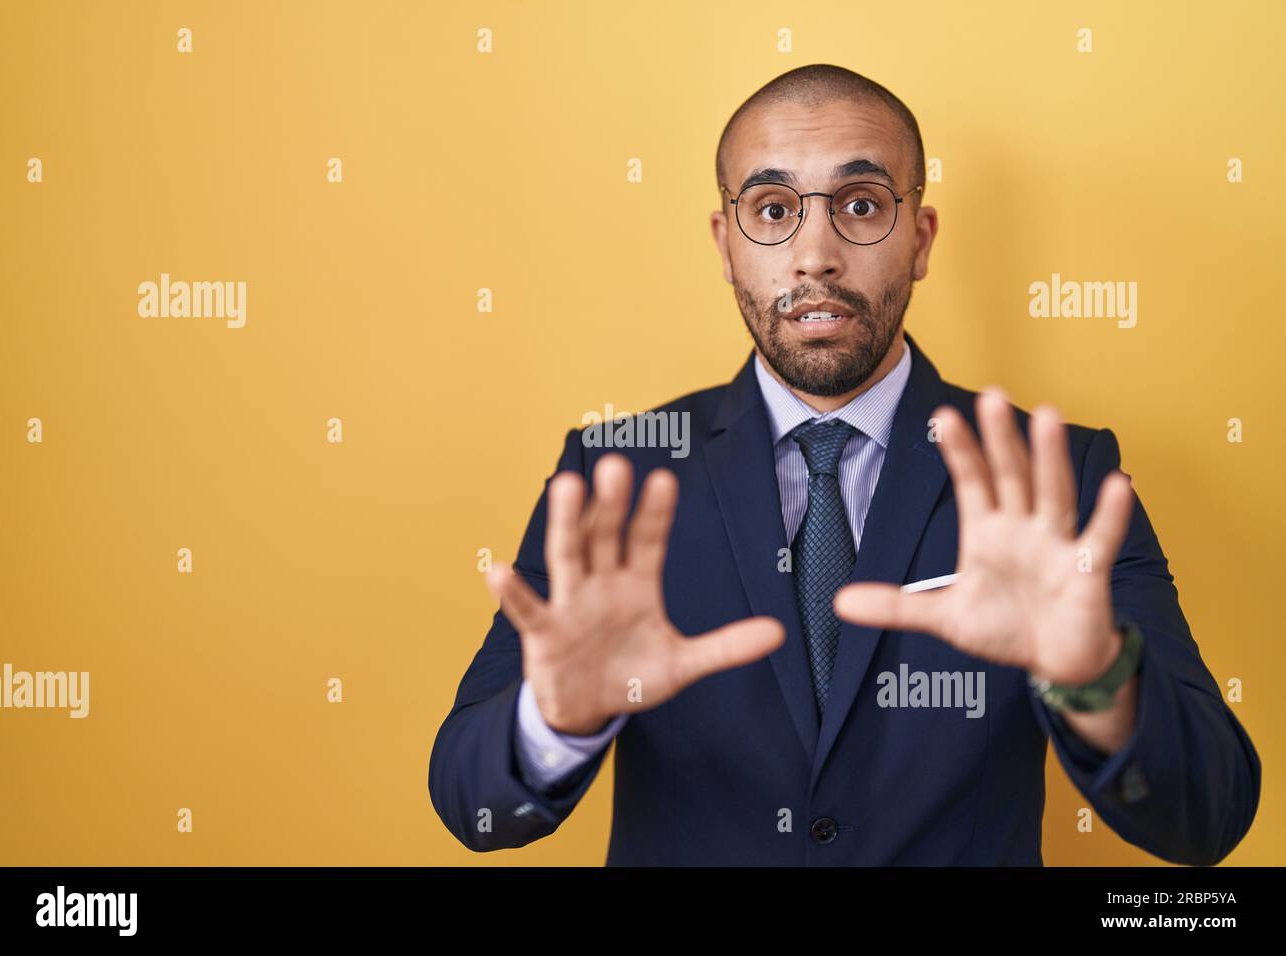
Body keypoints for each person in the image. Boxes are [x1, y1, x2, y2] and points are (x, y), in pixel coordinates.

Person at [428, 64, 1261, 865]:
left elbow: (1209, 819)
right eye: (772, 207)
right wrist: (553, 721)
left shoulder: (1062, 478)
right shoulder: (616, 475)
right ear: (725, 243)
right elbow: (473, 809)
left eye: (861, 205)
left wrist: (1095, 680)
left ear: (922, 239)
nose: (815, 254)